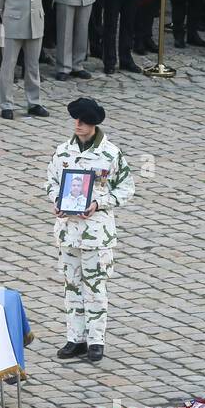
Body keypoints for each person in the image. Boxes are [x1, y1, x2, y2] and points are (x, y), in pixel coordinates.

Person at [44, 97, 136, 363]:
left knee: (95, 287)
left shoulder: (110, 153)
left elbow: (126, 188)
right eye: (75, 120)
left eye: (83, 121)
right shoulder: (63, 152)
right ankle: (76, 338)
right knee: (71, 285)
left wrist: (99, 202)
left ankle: (96, 340)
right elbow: (51, 182)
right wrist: (57, 201)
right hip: (68, 231)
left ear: (94, 124)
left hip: (97, 234)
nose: (78, 125)